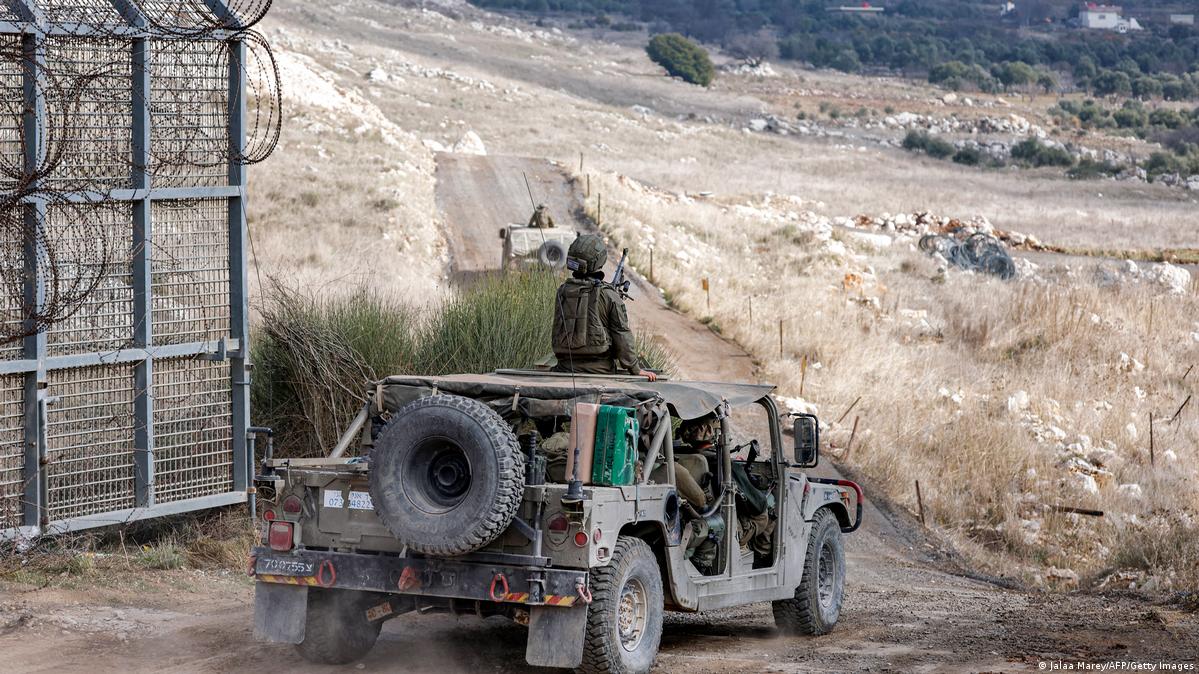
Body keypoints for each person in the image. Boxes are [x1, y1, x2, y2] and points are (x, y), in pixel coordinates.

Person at [552, 234, 657, 381]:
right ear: (599, 260)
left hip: (564, 369)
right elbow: (621, 333)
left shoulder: (562, 291)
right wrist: (635, 368)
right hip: (600, 372)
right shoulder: (608, 294)